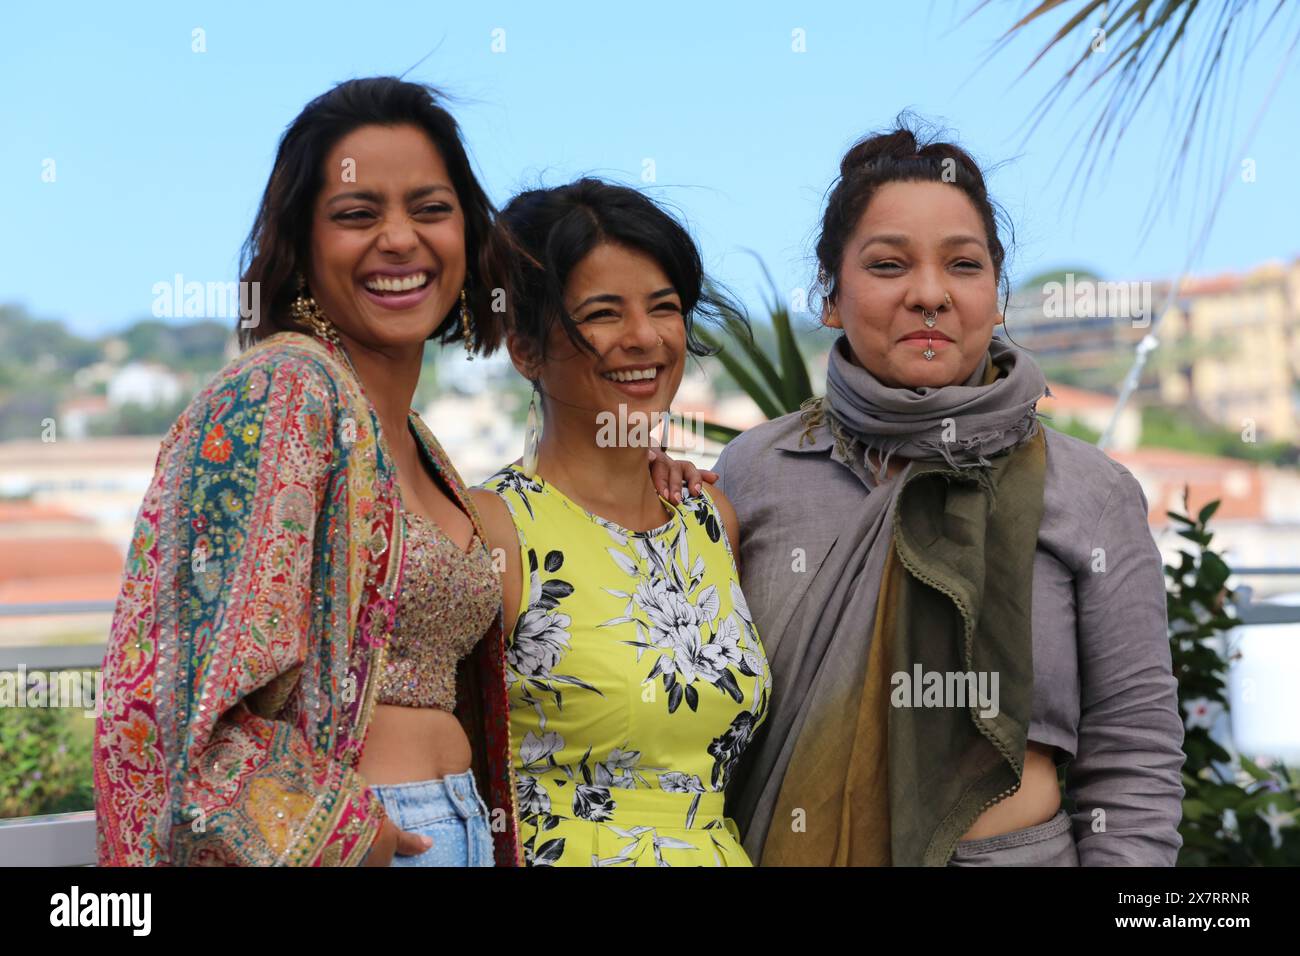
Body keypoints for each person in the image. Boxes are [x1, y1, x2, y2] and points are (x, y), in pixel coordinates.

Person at [662, 121, 1185, 866]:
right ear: (830, 296)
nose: (930, 295)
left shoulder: (1088, 490)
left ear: (997, 296)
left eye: (963, 265)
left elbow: (1135, 749)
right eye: (888, 265)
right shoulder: (755, 471)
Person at [93, 77, 523, 866]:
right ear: (302, 243)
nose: (400, 238)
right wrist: (344, 836)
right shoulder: (280, 393)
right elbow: (173, 697)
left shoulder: (419, 441)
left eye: (430, 208)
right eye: (359, 214)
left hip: (452, 827)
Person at [470, 179, 771, 866]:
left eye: (664, 308)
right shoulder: (493, 530)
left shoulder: (709, 520)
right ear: (524, 349)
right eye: (604, 314)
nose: (644, 338)